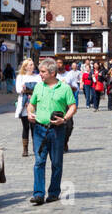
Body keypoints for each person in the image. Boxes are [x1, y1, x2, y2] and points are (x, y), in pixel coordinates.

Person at [26, 59, 76, 205]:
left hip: (57, 130)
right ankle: (39, 194)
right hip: (40, 129)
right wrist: (30, 113)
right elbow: (31, 105)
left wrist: (65, 118)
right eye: (40, 71)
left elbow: (72, 106)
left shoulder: (64, 88)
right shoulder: (38, 87)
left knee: (56, 163)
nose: (40, 74)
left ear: (52, 73)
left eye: (43, 72)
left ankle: (53, 192)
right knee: (39, 162)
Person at [15, 59, 42, 157]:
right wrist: (25, 89)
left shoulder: (37, 77)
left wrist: (29, 89)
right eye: (30, 65)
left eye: (33, 65)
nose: (32, 67)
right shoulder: (20, 77)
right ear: (25, 67)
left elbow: (40, 88)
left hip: (35, 104)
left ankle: (36, 147)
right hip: (24, 104)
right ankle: (25, 148)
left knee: (34, 127)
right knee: (25, 127)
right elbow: (18, 90)